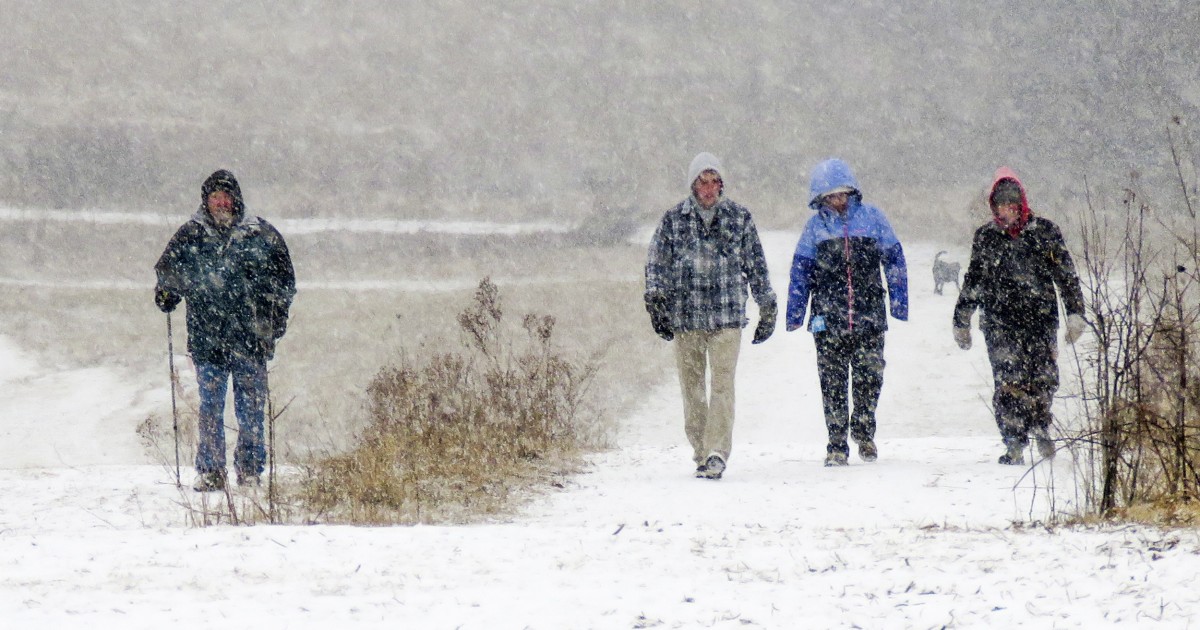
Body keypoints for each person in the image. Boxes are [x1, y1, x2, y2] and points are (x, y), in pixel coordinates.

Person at [154, 170, 296, 491]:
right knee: (210, 408)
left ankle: (249, 470)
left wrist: (272, 325)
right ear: (206, 200)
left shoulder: (261, 235)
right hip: (207, 340)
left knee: (250, 410)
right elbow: (169, 272)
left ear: (236, 199)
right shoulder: (190, 235)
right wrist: (166, 293)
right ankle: (211, 471)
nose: (220, 202)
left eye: (225, 196)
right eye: (214, 197)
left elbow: (284, 283)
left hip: (251, 340)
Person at [644, 152, 776, 480]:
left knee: (721, 384)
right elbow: (656, 263)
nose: (709, 188)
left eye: (715, 181)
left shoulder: (739, 218)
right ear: (693, 184)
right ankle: (700, 449)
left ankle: (717, 451)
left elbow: (756, 264)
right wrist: (655, 302)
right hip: (686, 316)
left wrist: (767, 305)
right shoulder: (673, 220)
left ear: (722, 184)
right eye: (703, 181)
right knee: (691, 387)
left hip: (727, 316)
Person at [953, 167, 1085, 465]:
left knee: (1042, 378)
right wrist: (961, 319)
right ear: (994, 206)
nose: (1007, 210)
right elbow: (973, 280)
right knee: (1008, 383)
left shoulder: (1045, 233)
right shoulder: (986, 238)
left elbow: (1066, 276)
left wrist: (1075, 313)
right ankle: (1013, 441)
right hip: (999, 323)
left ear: (1022, 203)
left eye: (1012, 204)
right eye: (1001, 205)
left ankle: (1040, 426)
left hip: (1040, 320)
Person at [786, 158, 908, 467]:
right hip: (826, 319)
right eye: (830, 196)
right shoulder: (814, 229)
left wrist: (898, 301)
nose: (838, 201)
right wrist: (795, 312)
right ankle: (836, 443)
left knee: (870, 377)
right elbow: (801, 272)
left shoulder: (873, 219)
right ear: (820, 199)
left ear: (852, 192)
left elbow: (894, 259)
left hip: (870, 316)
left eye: (842, 193)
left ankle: (864, 430)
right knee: (832, 383)